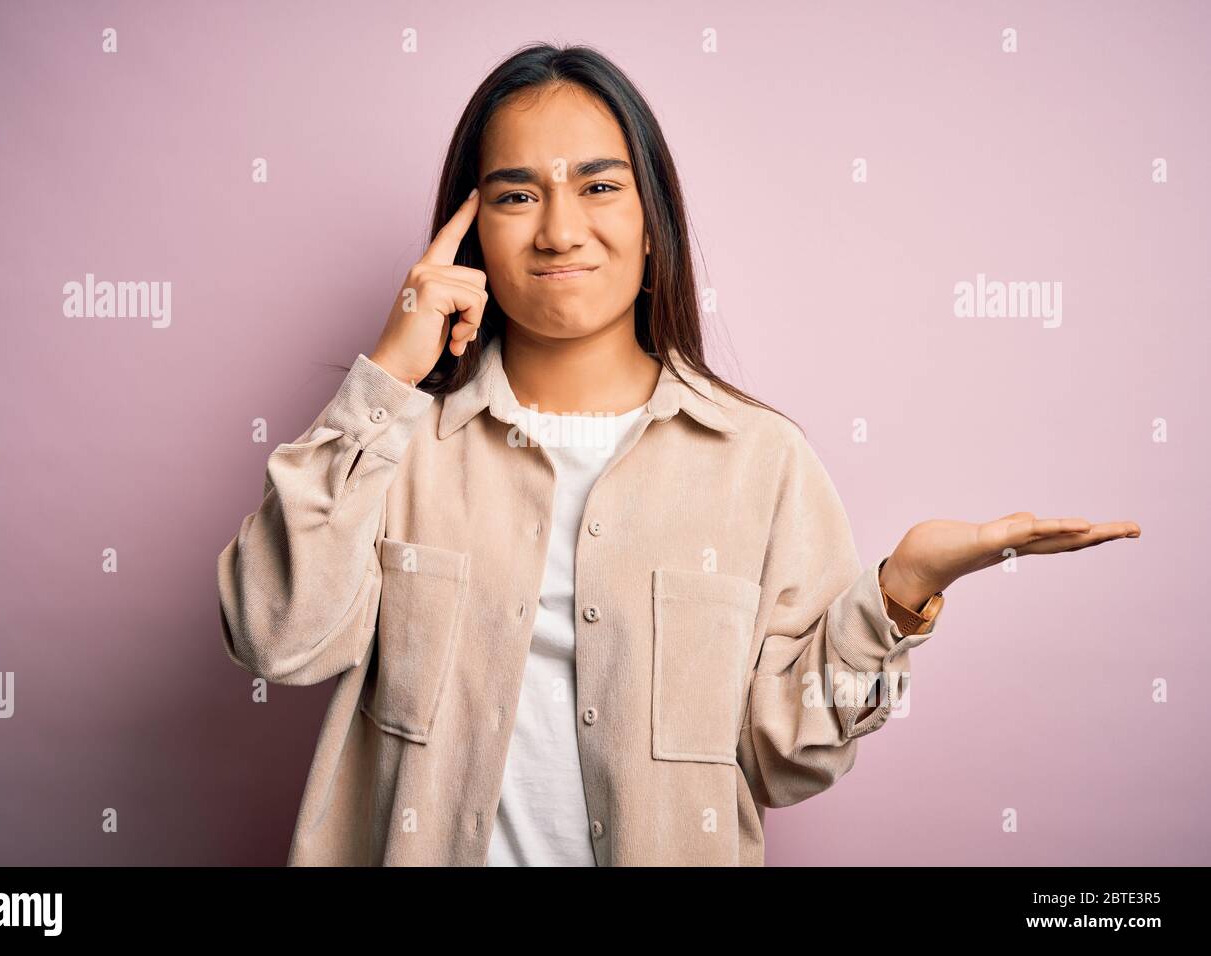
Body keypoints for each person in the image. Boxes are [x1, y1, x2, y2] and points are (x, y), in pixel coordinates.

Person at [216, 43, 1141, 867]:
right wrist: (387, 375)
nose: (559, 230)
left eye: (598, 186)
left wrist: (900, 594)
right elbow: (276, 639)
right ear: (467, 234)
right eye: (516, 195)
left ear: (654, 221)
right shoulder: (397, 443)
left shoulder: (760, 462)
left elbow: (786, 759)